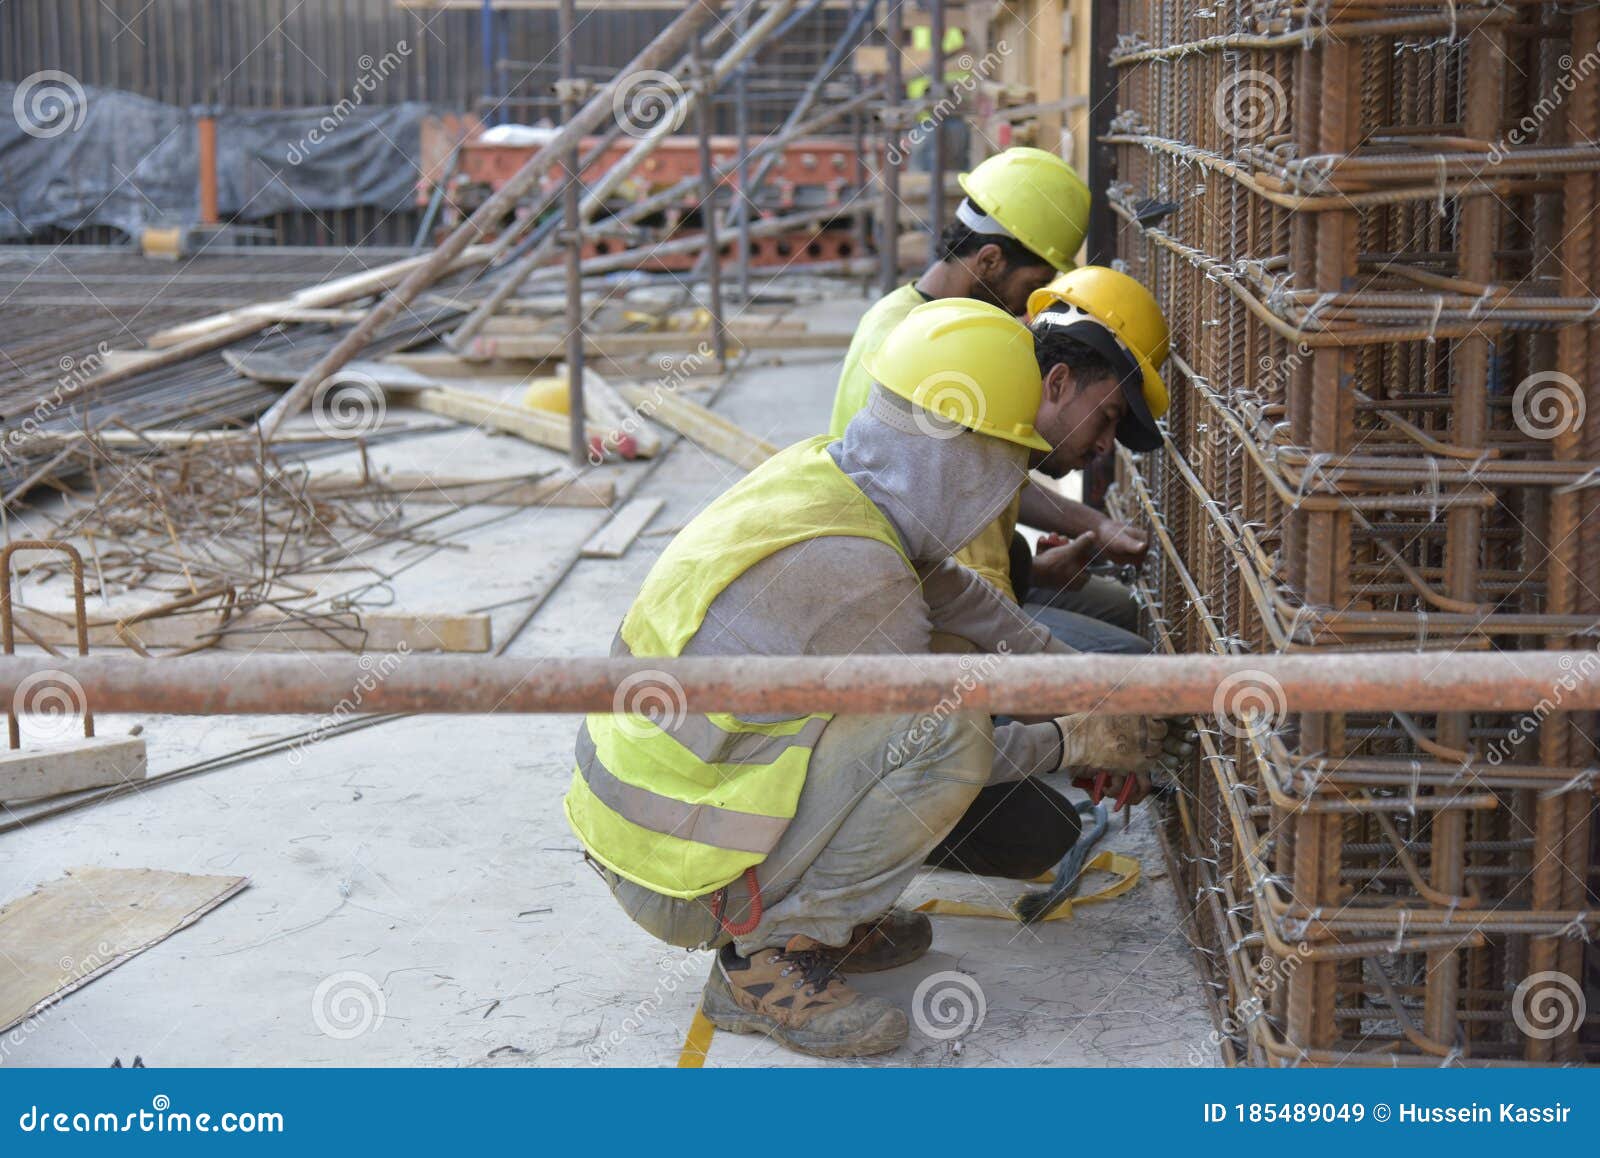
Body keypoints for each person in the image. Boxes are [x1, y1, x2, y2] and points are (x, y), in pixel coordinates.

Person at [566, 300, 1191, 1058]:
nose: (1007, 485)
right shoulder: (859, 571)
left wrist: (1086, 685)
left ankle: (813, 910)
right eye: (1005, 461)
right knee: (949, 727)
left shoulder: (832, 481)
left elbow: (954, 591)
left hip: (647, 823)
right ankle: (761, 959)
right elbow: (938, 753)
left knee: (948, 691)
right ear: (961, 452)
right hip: (673, 866)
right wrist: (1068, 740)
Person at [827, 148, 1165, 653]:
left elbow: (984, 466)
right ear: (988, 261)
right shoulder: (932, 351)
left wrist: (1061, 544)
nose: (1025, 313)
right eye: (1029, 287)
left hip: (937, 578)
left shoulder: (919, 320)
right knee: (1122, 657)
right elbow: (964, 489)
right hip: (908, 606)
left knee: (1115, 618)